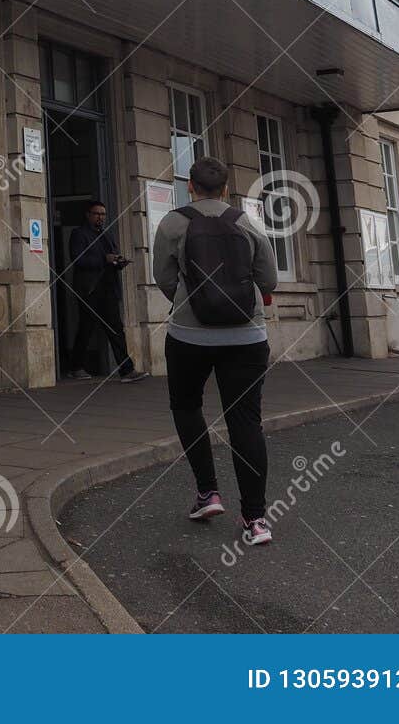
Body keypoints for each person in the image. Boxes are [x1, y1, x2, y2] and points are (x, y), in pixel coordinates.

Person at [152, 156, 280, 547]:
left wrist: (188, 301)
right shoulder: (245, 222)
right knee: (245, 421)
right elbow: (269, 278)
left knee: (187, 407)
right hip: (246, 337)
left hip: (190, 336)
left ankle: (208, 493)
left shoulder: (173, 222)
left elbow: (163, 277)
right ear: (226, 189)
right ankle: (256, 519)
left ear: (188, 186)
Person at [66, 201, 147, 382]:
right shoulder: (79, 234)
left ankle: (127, 370)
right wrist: (105, 259)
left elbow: (112, 257)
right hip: (91, 290)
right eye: (97, 214)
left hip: (109, 289)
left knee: (116, 329)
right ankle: (75, 366)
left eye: (103, 214)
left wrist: (119, 261)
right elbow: (78, 260)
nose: (100, 217)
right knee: (86, 329)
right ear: (88, 214)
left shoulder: (106, 234)